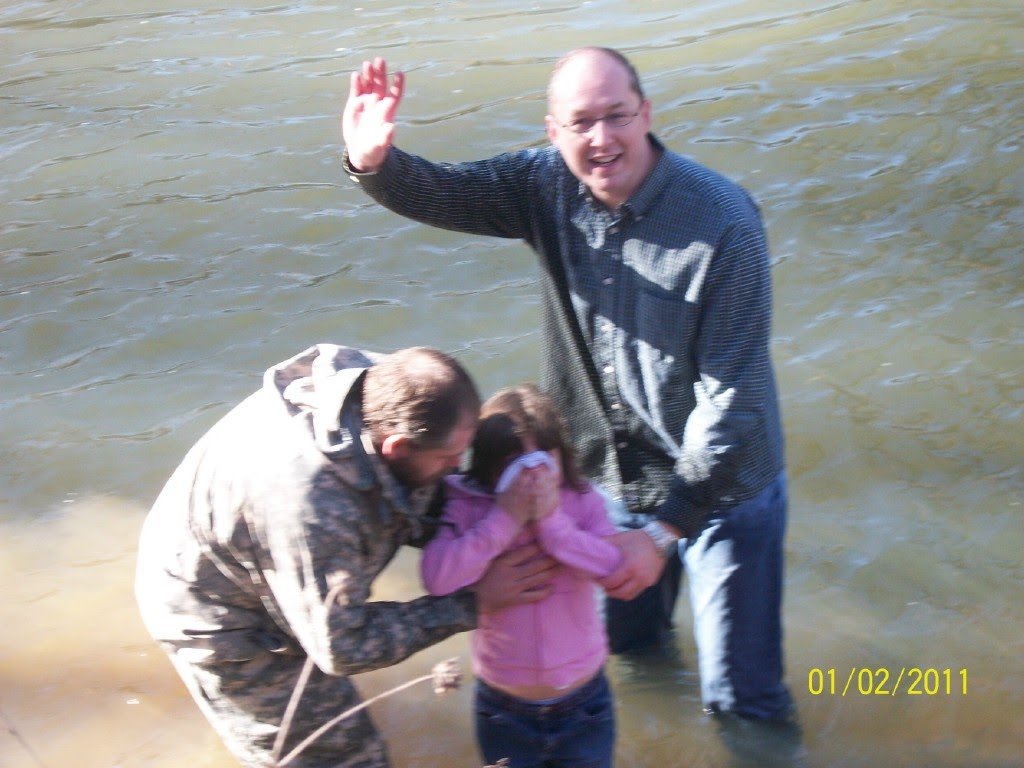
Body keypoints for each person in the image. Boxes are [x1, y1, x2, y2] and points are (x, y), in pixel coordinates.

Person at [340, 47, 794, 723]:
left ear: (646, 114)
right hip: (608, 481)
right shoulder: (543, 185)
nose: (602, 139)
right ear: (552, 133)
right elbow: (447, 191)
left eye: (617, 117)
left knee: (741, 699)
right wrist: (376, 164)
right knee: (630, 652)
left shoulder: (724, 222)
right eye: (581, 123)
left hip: (722, 492)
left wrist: (668, 527)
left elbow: (735, 400)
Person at [134, 343, 555, 768]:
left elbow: (436, 496)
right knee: (344, 757)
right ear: (396, 449)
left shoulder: (391, 387)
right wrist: (474, 604)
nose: (456, 468)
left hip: (278, 543)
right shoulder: (311, 506)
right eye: (448, 459)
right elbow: (344, 646)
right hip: (221, 615)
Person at [421, 384, 622, 768]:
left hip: (584, 705)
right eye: (514, 459)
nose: (532, 471)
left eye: (544, 454)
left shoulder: (581, 501)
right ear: (488, 466)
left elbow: (612, 567)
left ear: (562, 454)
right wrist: (505, 519)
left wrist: (554, 525)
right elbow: (437, 577)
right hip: (503, 708)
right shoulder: (468, 506)